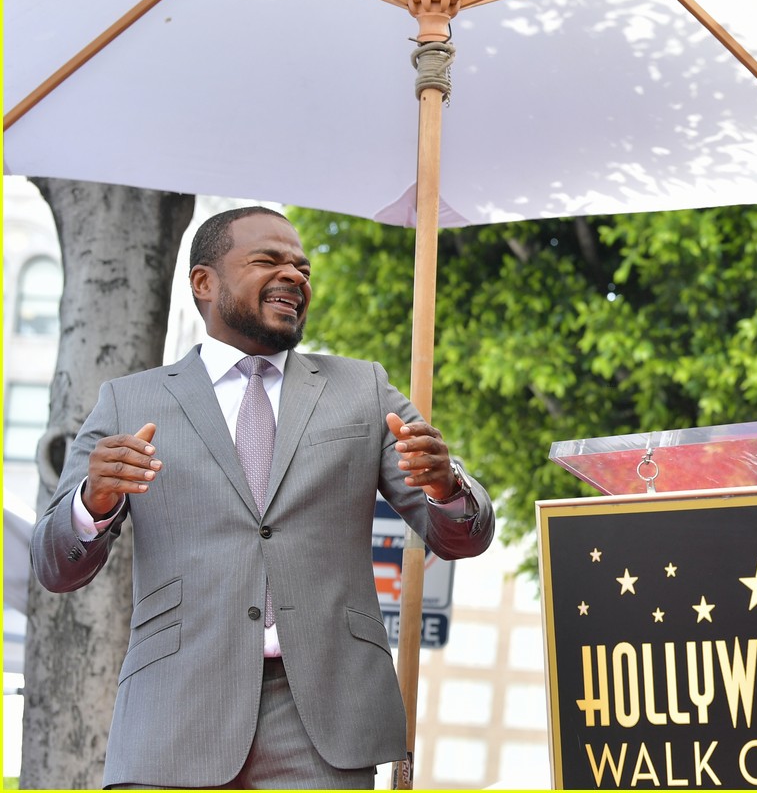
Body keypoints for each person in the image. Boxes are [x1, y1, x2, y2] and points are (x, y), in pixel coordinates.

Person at [32, 206, 495, 789]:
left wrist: (447, 487)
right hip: (173, 711)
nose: (295, 276)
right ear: (204, 282)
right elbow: (53, 566)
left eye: (302, 267)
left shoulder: (363, 388)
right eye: (268, 261)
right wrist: (89, 504)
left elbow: (463, 536)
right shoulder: (129, 402)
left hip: (322, 717)